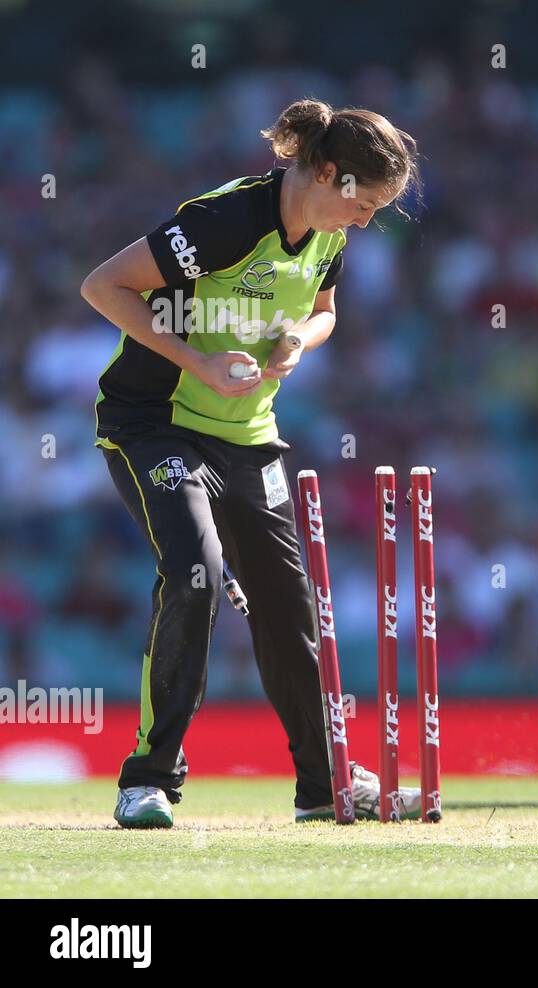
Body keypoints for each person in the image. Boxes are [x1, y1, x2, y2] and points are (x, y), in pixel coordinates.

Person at [80, 98, 420, 827]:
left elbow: (324, 308)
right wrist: (197, 361)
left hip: (249, 435)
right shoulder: (226, 222)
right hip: (157, 422)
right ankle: (148, 780)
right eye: (365, 204)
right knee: (196, 572)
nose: (367, 222)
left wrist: (299, 338)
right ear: (327, 172)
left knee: (289, 604)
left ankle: (323, 786)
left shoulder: (330, 228)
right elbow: (103, 285)